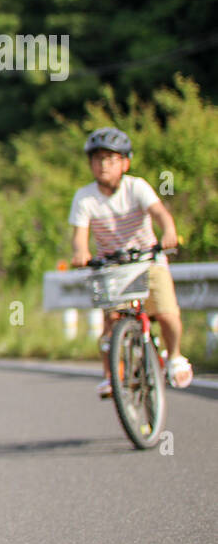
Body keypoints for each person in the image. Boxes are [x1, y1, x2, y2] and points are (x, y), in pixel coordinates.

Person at [69, 127, 192, 393]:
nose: (103, 165)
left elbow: (159, 213)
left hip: (147, 259)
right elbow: (80, 235)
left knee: (167, 312)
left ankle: (175, 357)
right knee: (111, 322)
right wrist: (81, 252)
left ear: (125, 162)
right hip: (111, 266)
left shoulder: (136, 187)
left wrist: (169, 232)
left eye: (110, 159)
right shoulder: (85, 197)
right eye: (97, 159)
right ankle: (111, 375)